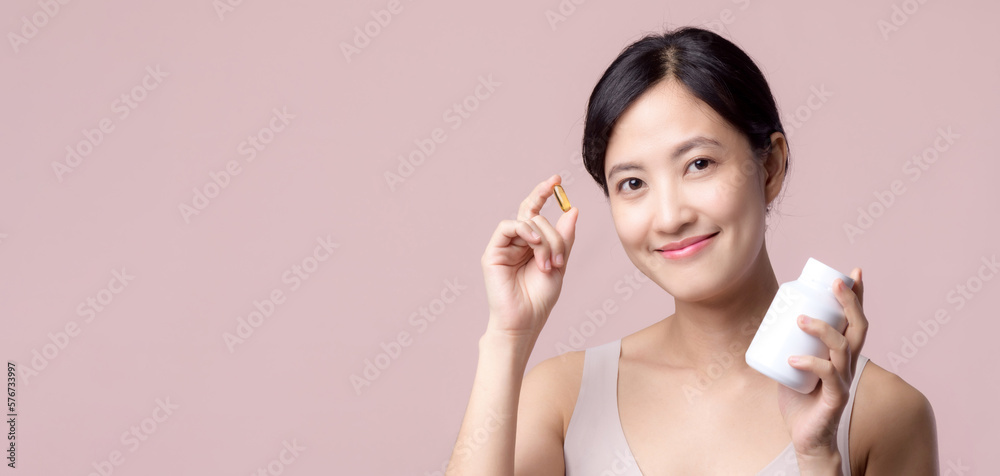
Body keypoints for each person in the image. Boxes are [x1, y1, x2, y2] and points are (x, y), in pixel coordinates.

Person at [447, 26, 938, 475]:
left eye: (699, 164)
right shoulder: (562, 397)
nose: (669, 216)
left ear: (770, 169)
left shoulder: (883, 414)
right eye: (633, 182)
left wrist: (816, 457)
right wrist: (506, 338)